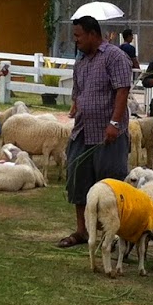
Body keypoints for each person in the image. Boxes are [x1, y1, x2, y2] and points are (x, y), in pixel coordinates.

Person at [56, 14, 132, 248]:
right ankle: (84, 231)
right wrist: (76, 106)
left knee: (109, 182)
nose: (76, 40)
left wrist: (114, 123)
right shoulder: (81, 61)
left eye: (78, 36)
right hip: (83, 130)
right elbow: (78, 91)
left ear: (92, 34)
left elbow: (122, 90)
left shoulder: (114, 56)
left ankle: (114, 234)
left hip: (107, 133)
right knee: (78, 178)